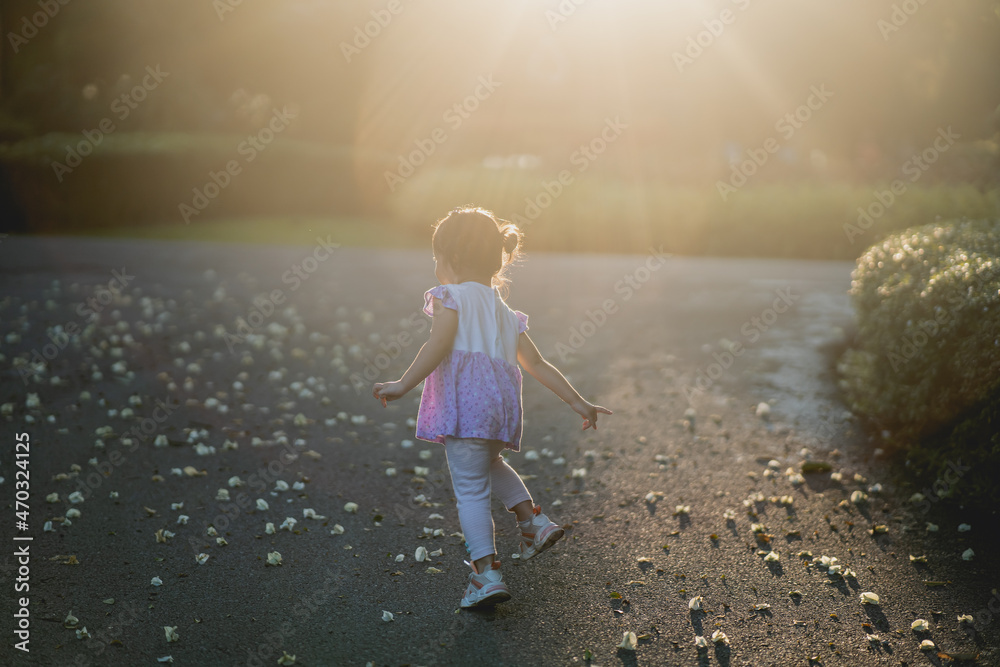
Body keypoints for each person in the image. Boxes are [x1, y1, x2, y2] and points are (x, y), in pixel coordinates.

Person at [372, 206, 612, 609]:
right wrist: (578, 401)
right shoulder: (504, 313)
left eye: (436, 257)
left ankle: (486, 574)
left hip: (467, 406)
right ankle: (532, 521)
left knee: (469, 490)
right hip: (500, 407)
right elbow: (535, 363)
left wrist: (402, 384)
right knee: (489, 465)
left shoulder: (452, 297)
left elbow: (438, 344)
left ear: (451, 259)